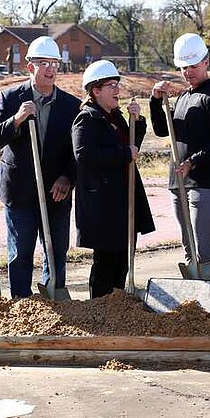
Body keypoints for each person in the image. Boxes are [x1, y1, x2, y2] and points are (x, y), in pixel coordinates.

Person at [0, 36, 81, 298]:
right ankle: (21, 301)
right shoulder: (10, 97)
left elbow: (77, 151)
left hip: (56, 192)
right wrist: (17, 119)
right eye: (43, 63)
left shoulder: (71, 105)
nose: (50, 69)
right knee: (20, 252)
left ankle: (54, 298)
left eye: (54, 63)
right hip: (19, 190)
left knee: (56, 251)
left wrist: (67, 177)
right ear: (30, 67)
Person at [149, 33, 210, 280]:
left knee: (203, 247)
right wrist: (155, 101)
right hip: (178, 181)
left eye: (193, 66)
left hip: (206, 182)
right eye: (184, 67)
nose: (188, 72)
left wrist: (193, 161)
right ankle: (197, 297)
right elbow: (163, 129)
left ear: (206, 62)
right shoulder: (184, 97)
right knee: (189, 246)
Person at [72, 60, 155, 298]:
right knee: (106, 261)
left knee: (123, 258)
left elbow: (132, 147)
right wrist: (123, 154)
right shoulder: (87, 118)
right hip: (103, 203)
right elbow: (83, 154)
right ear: (96, 91)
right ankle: (100, 306)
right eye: (111, 85)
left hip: (123, 199)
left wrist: (137, 122)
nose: (117, 90)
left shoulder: (116, 116)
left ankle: (119, 305)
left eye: (117, 84)